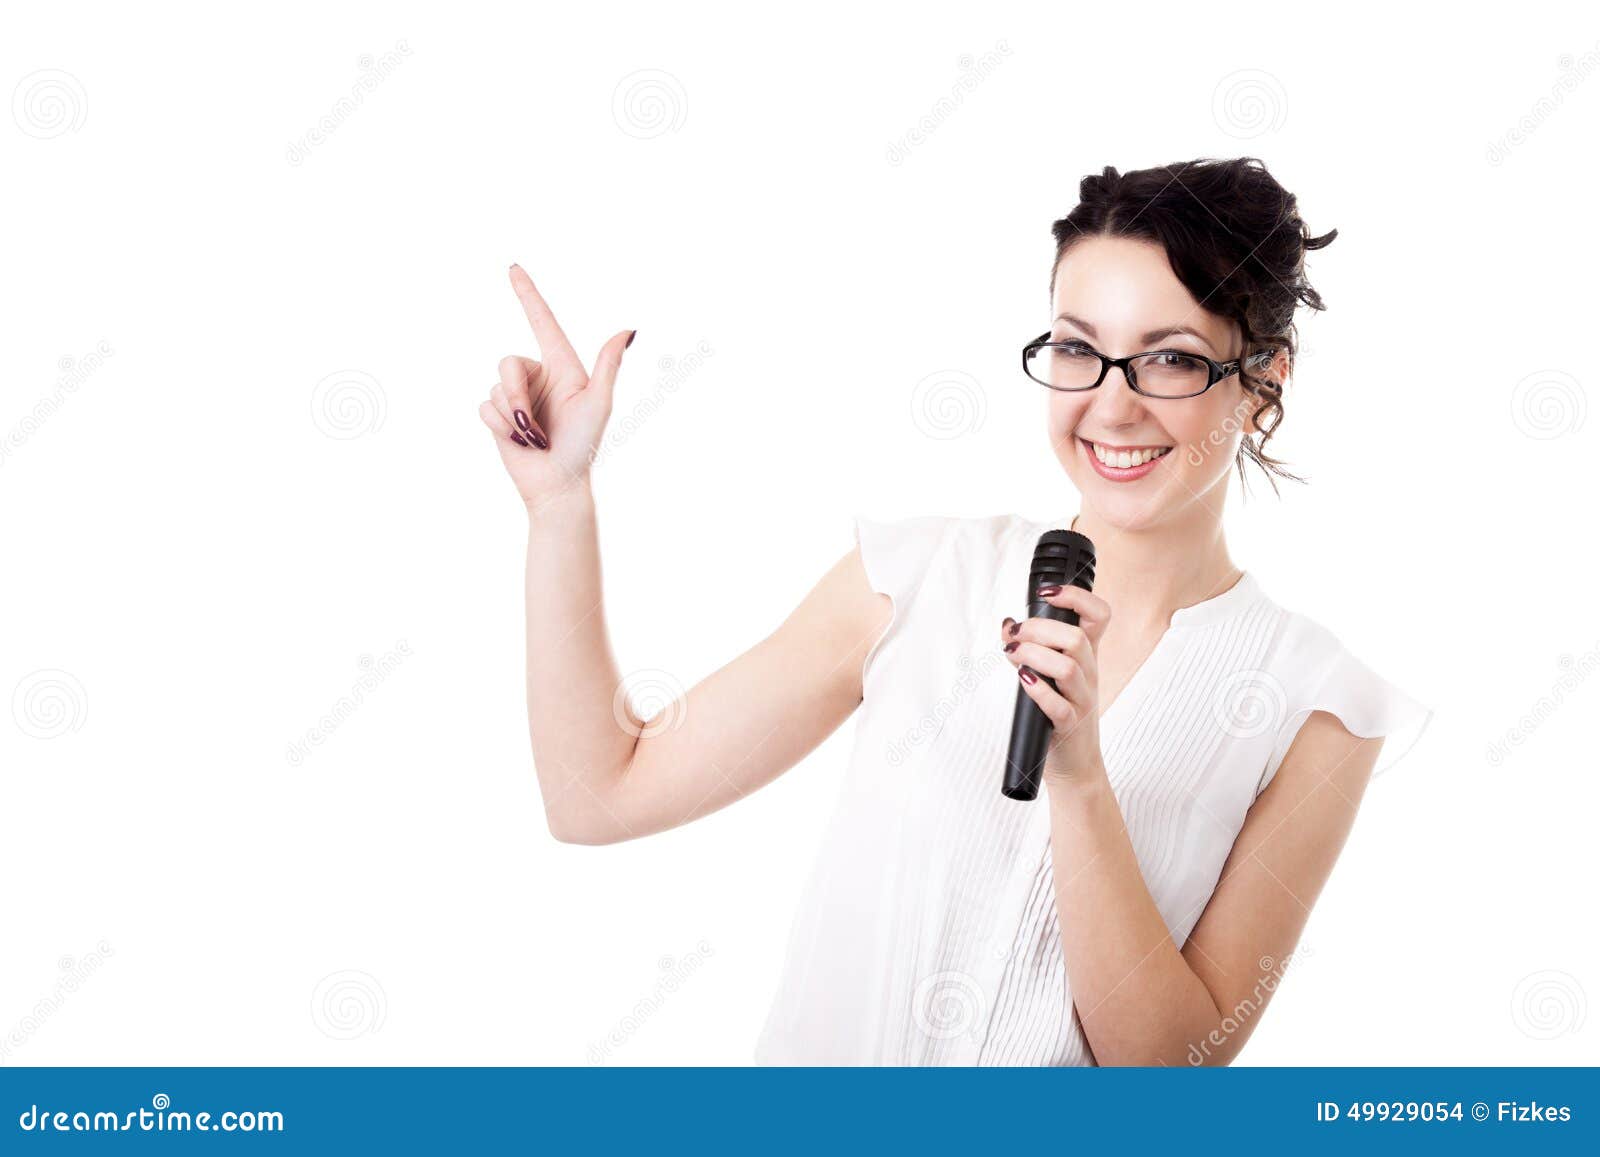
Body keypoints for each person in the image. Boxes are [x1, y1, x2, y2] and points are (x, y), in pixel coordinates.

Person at [475, 156, 1429, 1066]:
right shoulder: (920, 577)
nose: (1111, 405)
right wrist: (559, 506)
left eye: (1171, 360)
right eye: (1076, 349)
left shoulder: (1317, 709)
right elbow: (598, 796)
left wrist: (1082, 777)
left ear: (1263, 382)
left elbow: (1168, 1069)